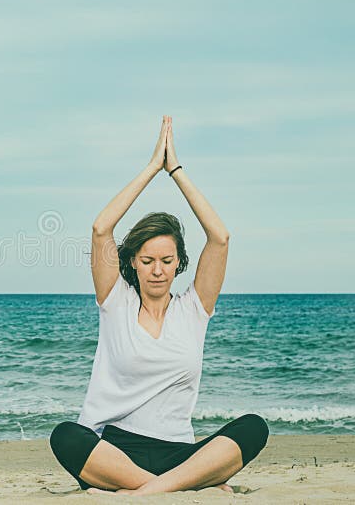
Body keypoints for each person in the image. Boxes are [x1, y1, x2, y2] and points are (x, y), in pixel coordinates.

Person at [49, 116, 268, 496]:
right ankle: (177, 490)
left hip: (181, 453)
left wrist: (176, 170)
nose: (157, 271)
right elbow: (101, 228)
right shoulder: (115, 301)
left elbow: (220, 237)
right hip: (115, 452)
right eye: (147, 260)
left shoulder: (194, 309)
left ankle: (147, 492)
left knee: (254, 428)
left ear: (179, 263)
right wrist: (152, 167)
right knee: (66, 436)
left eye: (167, 262)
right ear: (132, 261)